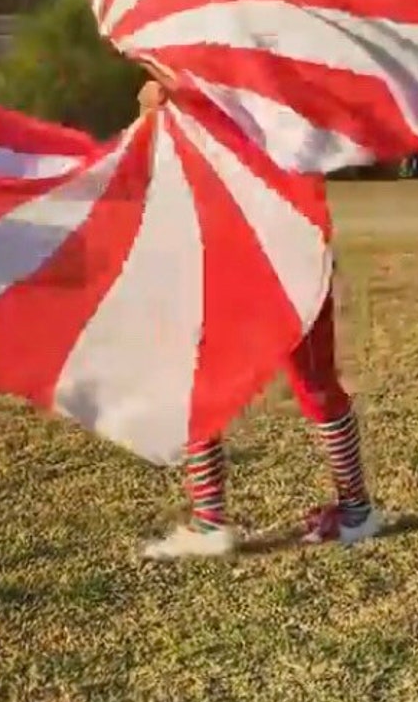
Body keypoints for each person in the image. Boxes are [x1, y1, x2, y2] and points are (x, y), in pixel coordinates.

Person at [135, 71, 383, 560]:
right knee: (304, 382)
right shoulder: (251, 73)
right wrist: (156, 110)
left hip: (255, 250)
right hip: (280, 247)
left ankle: (214, 523)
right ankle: (353, 511)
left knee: (210, 381)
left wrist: (163, 105)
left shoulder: (226, 79)